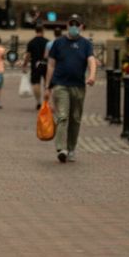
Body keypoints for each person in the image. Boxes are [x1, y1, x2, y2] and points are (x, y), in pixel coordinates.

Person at [47, 14, 96, 163]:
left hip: (78, 86)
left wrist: (92, 75)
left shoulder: (86, 44)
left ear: (81, 27)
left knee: (75, 119)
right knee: (62, 116)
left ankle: (71, 148)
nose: (74, 27)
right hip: (60, 85)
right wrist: (48, 87)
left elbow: (91, 61)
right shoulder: (58, 43)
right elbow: (50, 65)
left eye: (77, 24)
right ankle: (61, 148)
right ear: (67, 26)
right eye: (71, 24)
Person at [26, 24, 50, 108]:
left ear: (35, 31)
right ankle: (46, 101)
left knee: (36, 83)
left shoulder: (31, 42)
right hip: (46, 64)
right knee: (46, 83)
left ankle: (38, 101)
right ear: (43, 31)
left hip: (35, 65)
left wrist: (25, 64)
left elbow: (28, 55)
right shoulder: (47, 41)